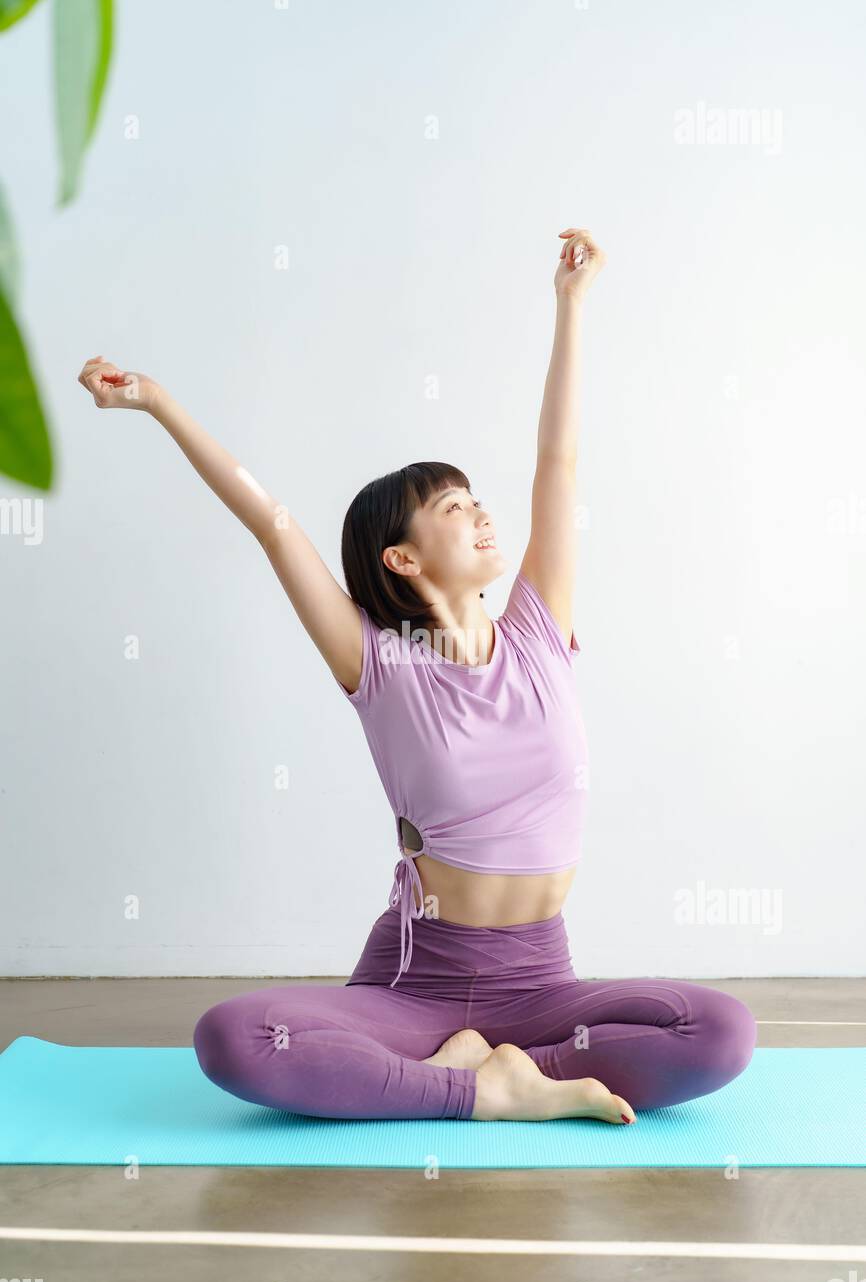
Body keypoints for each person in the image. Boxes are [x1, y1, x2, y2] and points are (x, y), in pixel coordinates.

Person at [77, 227, 757, 1123]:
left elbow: (559, 463)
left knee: (717, 1031)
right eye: (452, 506)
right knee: (236, 1040)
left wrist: (570, 305)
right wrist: (160, 405)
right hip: (415, 982)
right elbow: (274, 524)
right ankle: (485, 1090)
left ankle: (499, 1072)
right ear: (401, 557)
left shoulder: (539, 632)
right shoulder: (380, 665)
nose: (480, 513)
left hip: (542, 982)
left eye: (476, 497)